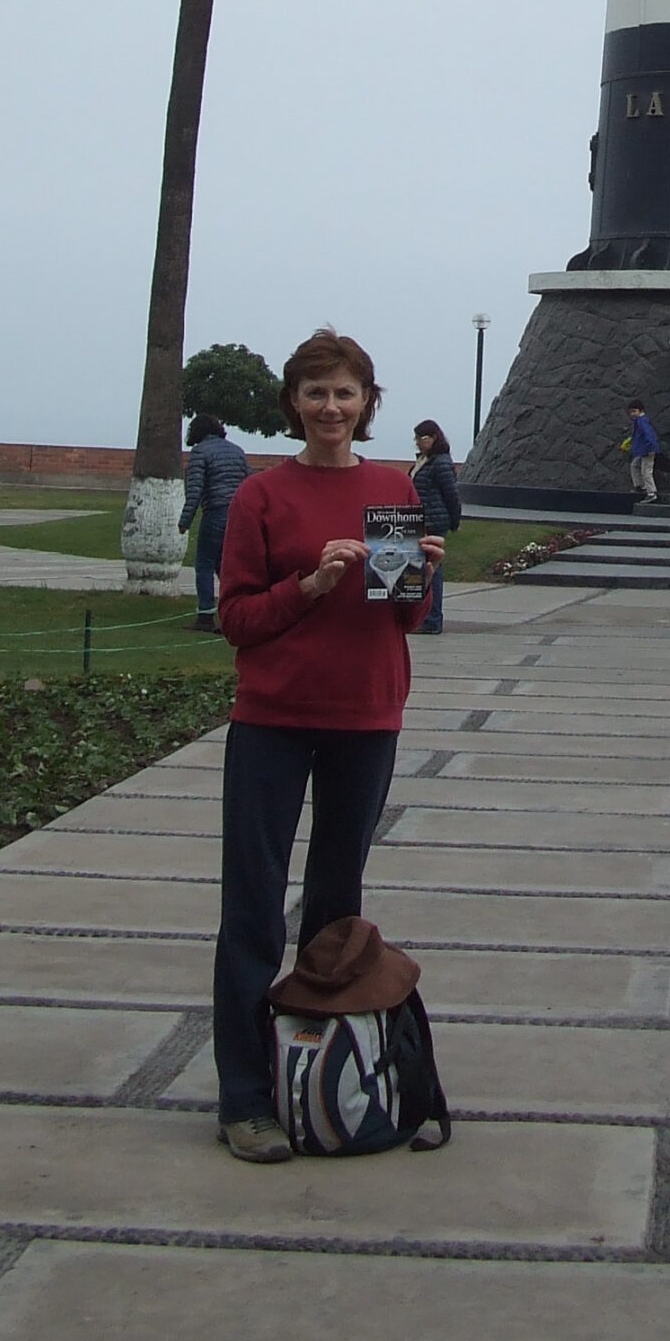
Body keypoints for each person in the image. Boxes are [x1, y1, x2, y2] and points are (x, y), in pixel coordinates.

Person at [211, 327, 445, 1165]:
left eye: (345, 393)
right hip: (274, 715)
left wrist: (419, 576)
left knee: (335, 907)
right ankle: (244, 1097)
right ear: (294, 406)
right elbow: (236, 618)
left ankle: (334, 1078)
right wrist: (308, 585)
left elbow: (404, 619)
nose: (331, 408)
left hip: (364, 714)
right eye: (315, 393)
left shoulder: (392, 490)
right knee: (252, 906)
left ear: (367, 403)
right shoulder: (262, 497)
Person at [178, 412, 250, 633]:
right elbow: (250, 484)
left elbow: (195, 489)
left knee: (204, 565)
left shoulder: (200, 452)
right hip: (238, 514)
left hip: (216, 512)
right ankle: (232, 614)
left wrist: (185, 520)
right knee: (225, 567)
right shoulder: (237, 451)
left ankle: (206, 616)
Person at [409, 419, 461, 635]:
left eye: (422, 438)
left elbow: (451, 494)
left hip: (433, 521)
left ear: (433, 438)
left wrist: (454, 520)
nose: (418, 443)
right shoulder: (424, 461)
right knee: (424, 570)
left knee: (433, 569)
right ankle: (425, 616)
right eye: (417, 439)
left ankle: (433, 619)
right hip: (419, 520)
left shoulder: (440, 463)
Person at [625, 399, 659, 506]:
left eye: (634, 411)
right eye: (631, 412)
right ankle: (640, 486)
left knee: (646, 471)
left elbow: (648, 434)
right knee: (635, 465)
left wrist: (650, 447)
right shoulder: (641, 421)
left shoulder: (642, 421)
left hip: (647, 450)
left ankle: (651, 492)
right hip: (644, 450)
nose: (632, 414)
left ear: (640, 411)